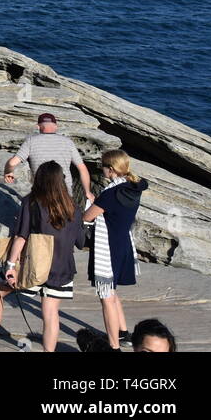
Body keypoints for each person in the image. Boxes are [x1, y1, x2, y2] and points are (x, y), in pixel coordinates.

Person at [0, 161, 87, 352]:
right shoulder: (74, 207)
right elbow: (80, 242)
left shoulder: (32, 202)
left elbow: (21, 237)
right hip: (62, 268)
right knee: (51, 313)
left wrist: (10, 265)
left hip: (34, 264)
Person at [84, 149, 149, 349]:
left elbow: (87, 217)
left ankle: (113, 346)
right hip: (124, 245)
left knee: (106, 298)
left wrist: (93, 203)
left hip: (108, 248)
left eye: (103, 166)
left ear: (110, 169)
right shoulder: (134, 186)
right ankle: (122, 333)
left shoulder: (110, 194)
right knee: (112, 293)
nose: (101, 169)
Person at [3, 113, 93, 202]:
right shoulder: (68, 142)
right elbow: (82, 168)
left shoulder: (31, 142)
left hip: (41, 193)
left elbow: (12, 163)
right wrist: (87, 192)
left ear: (38, 127)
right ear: (56, 126)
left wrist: (8, 172)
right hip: (64, 192)